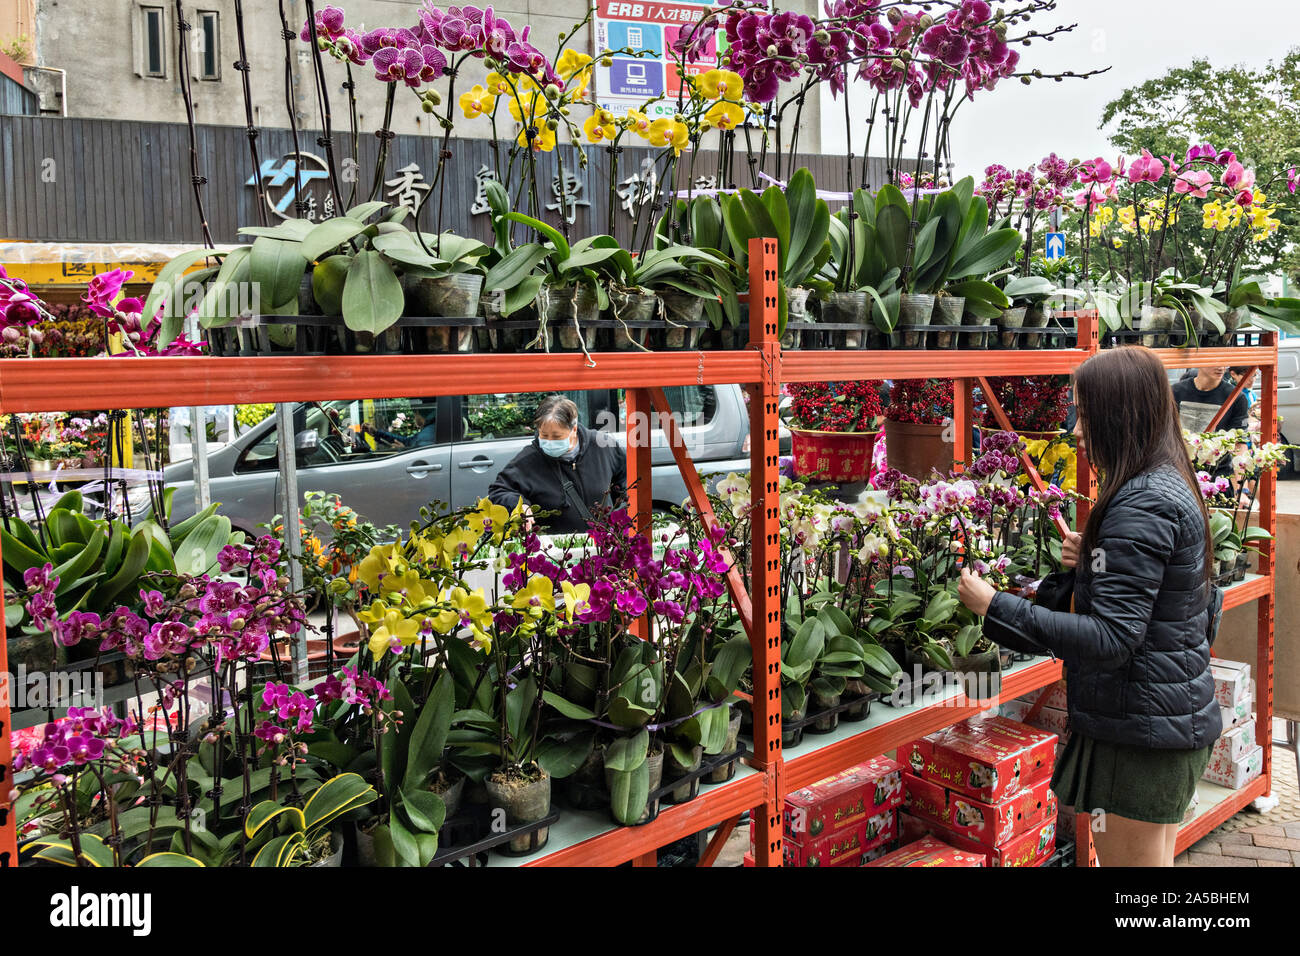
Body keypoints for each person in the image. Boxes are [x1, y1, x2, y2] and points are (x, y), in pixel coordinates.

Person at [957, 346, 1220, 867]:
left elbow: (1112, 639)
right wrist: (1096, 560)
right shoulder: (1166, 483)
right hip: (1163, 721)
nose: (1077, 431)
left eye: (1086, 413)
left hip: (1141, 735)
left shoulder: (1141, 501)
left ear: (1120, 415)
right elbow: (1191, 603)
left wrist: (995, 606)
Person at [488, 395, 627, 534]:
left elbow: (627, 480)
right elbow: (499, 490)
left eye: (556, 436)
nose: (549, 441)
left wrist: (619, 512)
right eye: (543, 435)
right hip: (556, 549)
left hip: (604, 544)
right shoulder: (529, 459)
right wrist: (520, 505)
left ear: (574, 429)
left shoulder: (603, 446)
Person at [1171, 365, 1249, 433]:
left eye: (1225, 361)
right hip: (1178, 449)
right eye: (1215, 362)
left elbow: (1241, 438)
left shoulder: (1236, 397)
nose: (1221, 368)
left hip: (1219, 449)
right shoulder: (1175, 391)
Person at [364, 406, 436, 449]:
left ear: (418, 413)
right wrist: (377, 432)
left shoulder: (427, 434)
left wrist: (404, 451)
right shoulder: (428, 430)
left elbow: (422, 457)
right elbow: (406, 441)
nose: (414, 419)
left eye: (414, 416)